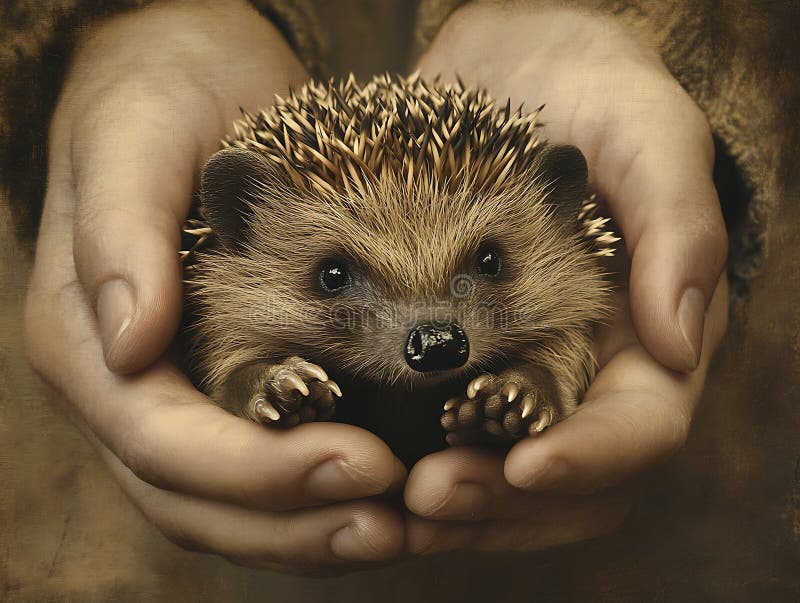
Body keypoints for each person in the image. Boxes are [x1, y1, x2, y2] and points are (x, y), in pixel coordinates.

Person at [4, 0, 750, 575]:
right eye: (336, 277)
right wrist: (108, 19)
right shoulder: (227, 288)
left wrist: (538, 386)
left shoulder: (567, 289)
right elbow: (222, 344)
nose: (435, 327)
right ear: (238, 229)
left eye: (488, 266)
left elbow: (569, 329)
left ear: (556, 213)